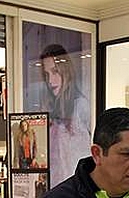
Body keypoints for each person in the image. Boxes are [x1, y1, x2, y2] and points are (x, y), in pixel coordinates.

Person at [39, 44, 92, 185]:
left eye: (55, 72)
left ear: (65, 71)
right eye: (47, 74)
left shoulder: (80, 107)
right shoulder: (51, 110)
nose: (50, 80)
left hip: (75, 191)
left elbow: (84, 157)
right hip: (55, 191)